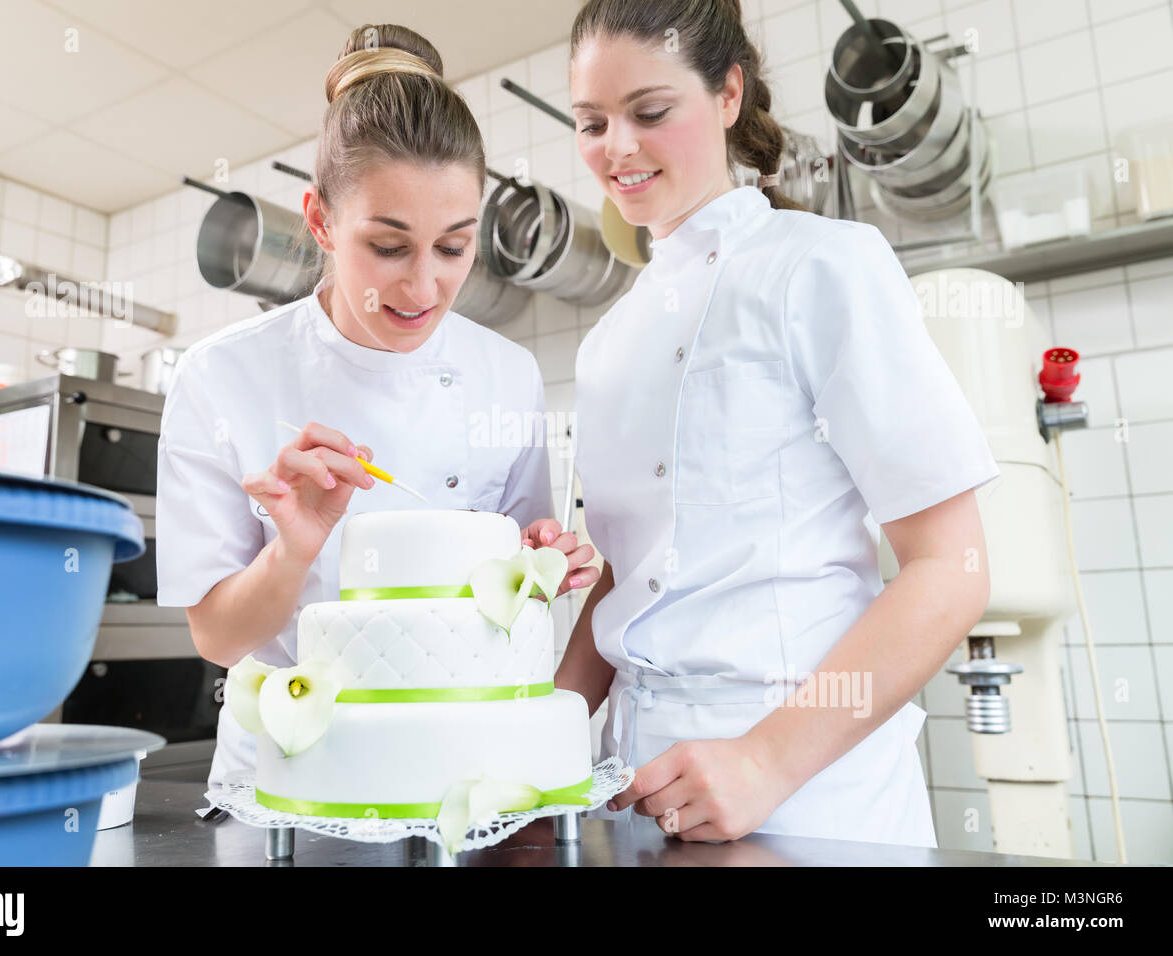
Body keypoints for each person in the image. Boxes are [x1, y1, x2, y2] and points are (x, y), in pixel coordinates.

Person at [555, 0, 999, 846]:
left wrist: (765, 761)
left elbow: (953, 566)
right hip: (633, 787)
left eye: (650, 113)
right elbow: (625, 576)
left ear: (728, 95)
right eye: (591, 122)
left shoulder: (824, 265)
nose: (616, 148)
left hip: (810, 786)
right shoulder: (608, 342)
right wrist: (538, 732)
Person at [155, 23, 597, 791]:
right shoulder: (221, 378)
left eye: (453, 247)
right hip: (287, 776)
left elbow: (515, 582)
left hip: (463, 774)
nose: (423, 289)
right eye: (389, 248)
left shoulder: (507, 375)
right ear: (321, 220)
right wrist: (292, 549)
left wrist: (542, 566)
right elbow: (219, 638)